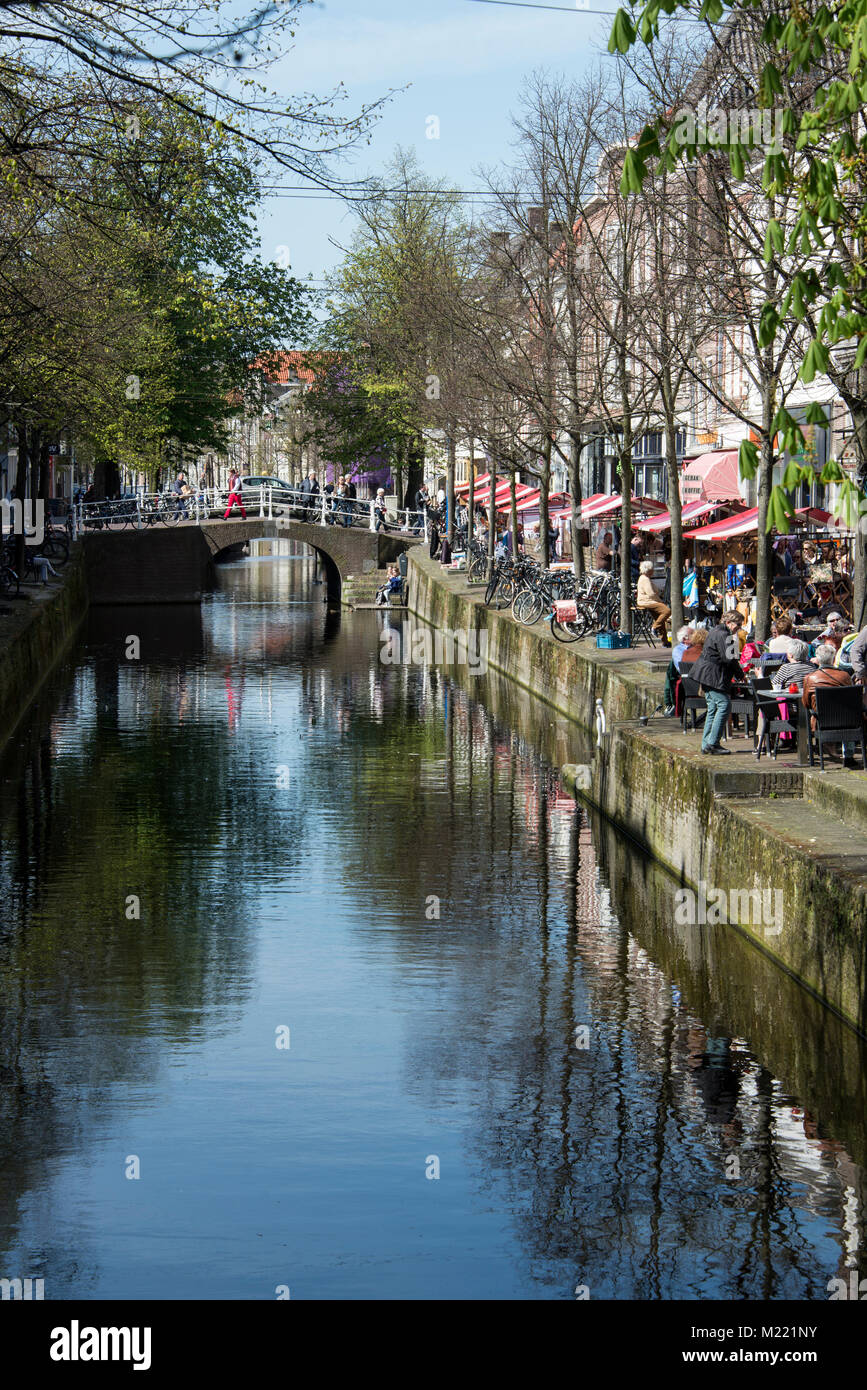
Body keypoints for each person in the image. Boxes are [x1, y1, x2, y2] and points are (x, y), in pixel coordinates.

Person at [690, 609, 744, 755]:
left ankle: (706, 743)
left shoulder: (716, 631)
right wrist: (740, 673)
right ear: (728, 622)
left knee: (713, 708)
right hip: (713, 675)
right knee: (724, 705)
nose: (739, 627)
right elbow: (728, 658)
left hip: (706, 674)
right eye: (737, 625)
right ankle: (713, 743)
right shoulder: (723, 634)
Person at [802, 643, 854, 728]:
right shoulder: (845, 676)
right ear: (833, 659)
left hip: (821, 722)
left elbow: (806, 704)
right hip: (846, 720)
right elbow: (852, 698)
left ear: (818, 660)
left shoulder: (809, 678)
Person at [636, 559, 671, 644]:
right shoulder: (645, 579)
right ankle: (654, 627)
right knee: (667, 611)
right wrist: (660, 601)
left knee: (660, 618)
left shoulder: (645, 578)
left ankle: (665, 641)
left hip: (647, 601)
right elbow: (651, 594)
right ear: (649, 570)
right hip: (647, 601)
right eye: (652, 569)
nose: (653, 571)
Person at [664, 624, 694, 714]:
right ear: (685, 639)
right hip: (689, 682)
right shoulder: (678, 650)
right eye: (693, 635)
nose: (696, 636)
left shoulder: (698, 648)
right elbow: (683, 669)